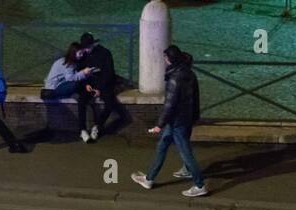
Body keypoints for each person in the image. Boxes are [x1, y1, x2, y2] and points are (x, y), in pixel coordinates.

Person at [130, 45, 207, 198]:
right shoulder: (189, 74)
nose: (164, 61)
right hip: (185, 118)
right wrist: (194, 117)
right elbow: (195, 98)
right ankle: (149, 178)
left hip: (177, 121)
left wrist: (159, 124)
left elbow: (170, 104)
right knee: (162, 145)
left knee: (185, 153)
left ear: (169, 60)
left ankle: (200, 185)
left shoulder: (175, 78)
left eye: (165, 58)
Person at [75, 31, 123, 142]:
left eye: (88, 47)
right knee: (81, 101)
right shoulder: (83, 54)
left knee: (110, 105)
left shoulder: (105, 53)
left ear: (93, 44)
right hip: (89, 83)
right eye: (84, 47)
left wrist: (99, 89)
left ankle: (97, 126)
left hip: (103, 83)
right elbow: (79, 71)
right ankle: (82, 130)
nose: (86, 50)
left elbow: (109, 73)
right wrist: (86, 84)